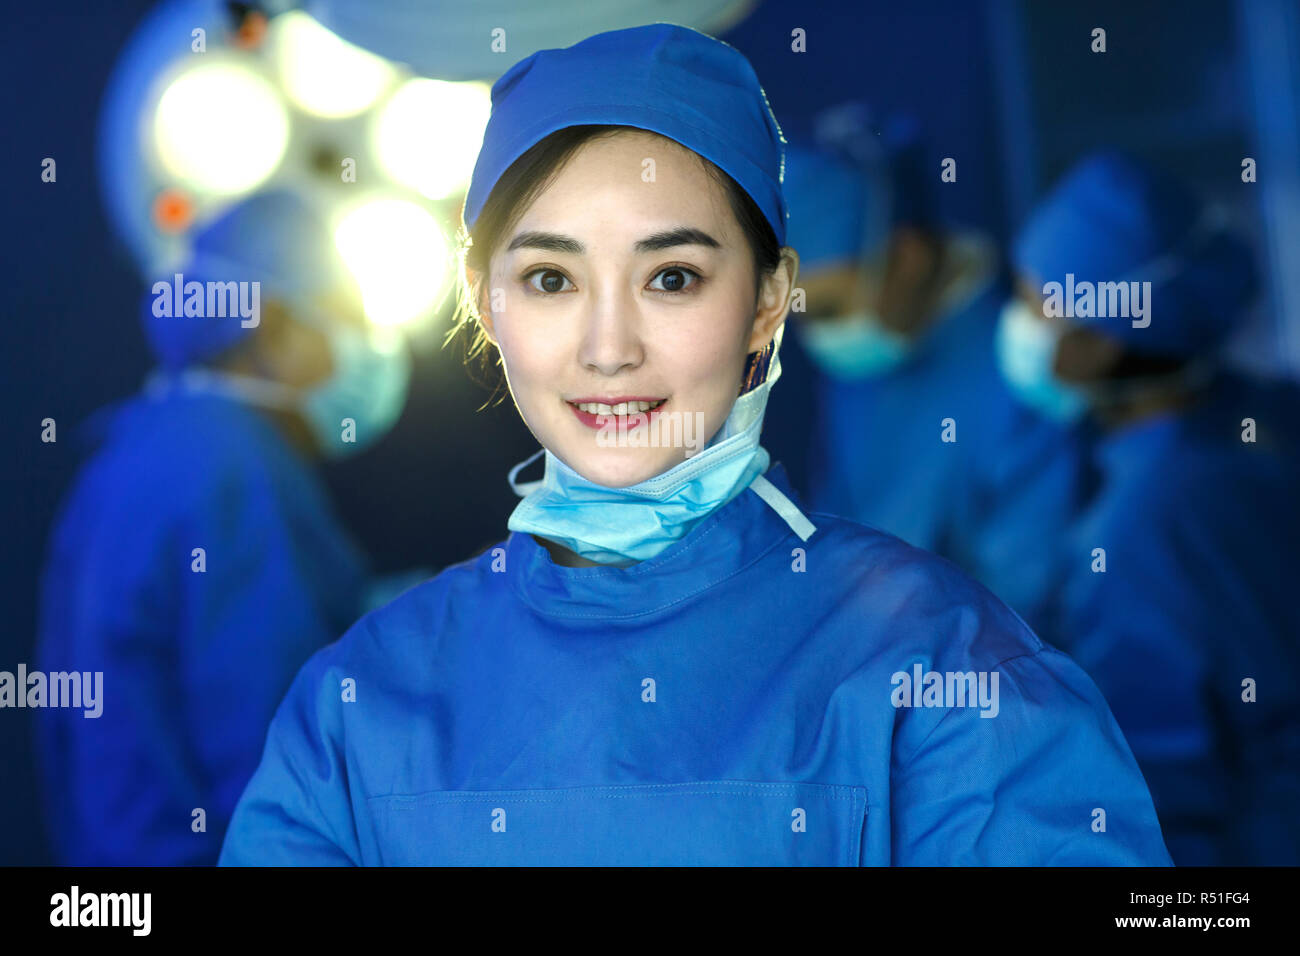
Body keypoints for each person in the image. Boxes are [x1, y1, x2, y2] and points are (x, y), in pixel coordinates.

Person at [219, 24, 1170, 866]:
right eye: (551, 279)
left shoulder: (947, 685)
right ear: (486, 305)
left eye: (671, 277)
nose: (608, 349)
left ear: (767, 302)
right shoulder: (355, 714)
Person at [34, 190, 411, 865]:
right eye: (345, 322)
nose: (369, 352)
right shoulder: (235, 467)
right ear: (273, 330)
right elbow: (271, 739)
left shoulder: (142, 447)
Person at [997, 150, 1300, 865]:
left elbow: (1166, 792)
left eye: (1035, 303)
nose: (1014, 321)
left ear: (1100, 344)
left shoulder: (1145, 528)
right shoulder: (1266, 418)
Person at [769, 129, 1085, 631]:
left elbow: (1021, 615)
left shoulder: (1023, 379)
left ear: (908, 258)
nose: (817, 336)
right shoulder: (866, 361)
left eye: (827, 308)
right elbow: (839, 533)